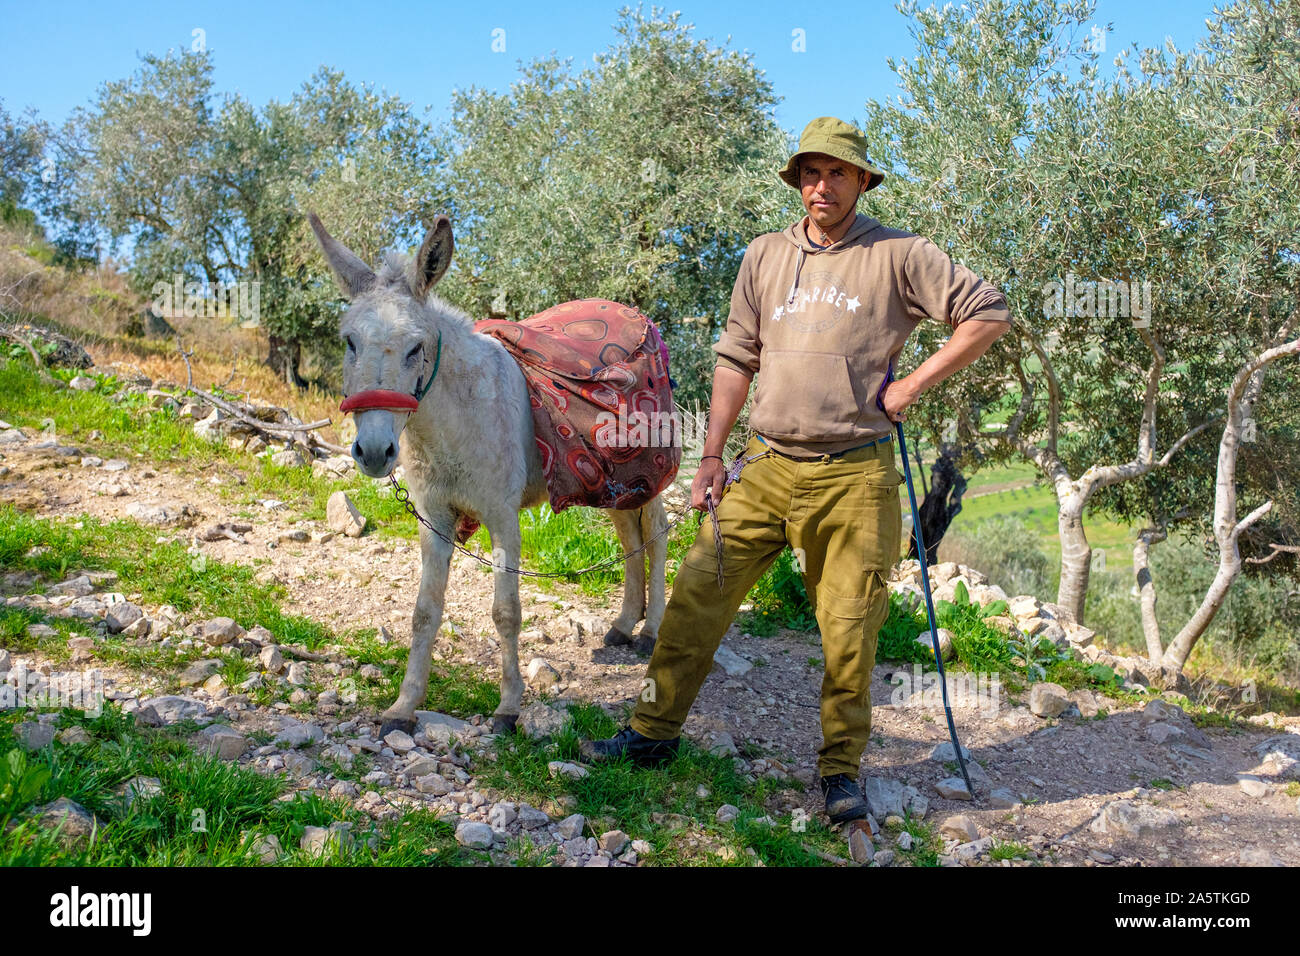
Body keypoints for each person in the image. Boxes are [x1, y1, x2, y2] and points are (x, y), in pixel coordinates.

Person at [581, 116, 1012, 824]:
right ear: (797, 181)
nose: (823, 185)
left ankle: (841, 771)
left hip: (855, 476)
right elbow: (735, 358)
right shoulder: (763, 256)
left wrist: (909, 388)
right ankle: (651, 736)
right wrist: (712, 456)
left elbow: (987, 312)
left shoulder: (900, 255)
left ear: (863, 180)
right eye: (811, 172)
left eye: (839, 172)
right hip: (766, 466)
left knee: (848, 628)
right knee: (694, 600)